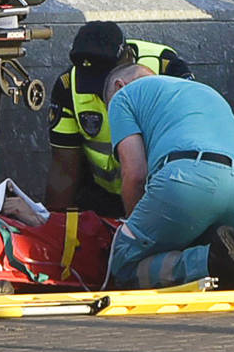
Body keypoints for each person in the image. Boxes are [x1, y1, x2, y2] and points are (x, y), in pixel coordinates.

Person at [102, 63, 234, 290]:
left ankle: (210, 261)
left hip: (189, 184)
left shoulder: (123, 96)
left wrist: (140, 234)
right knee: (215, 242)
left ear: (119, 85)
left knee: (123, 262)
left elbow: (135, 175)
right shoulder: (205, 90)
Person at [47, 20, 192, 218]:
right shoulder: (67, 85)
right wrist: (52, 225)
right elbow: (64, 168)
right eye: (91, 82)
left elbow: (190, 143)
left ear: (128, 57)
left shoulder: (165, 68)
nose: (101, 93)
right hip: (104, 196)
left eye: (107, 80)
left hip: (163, 194)